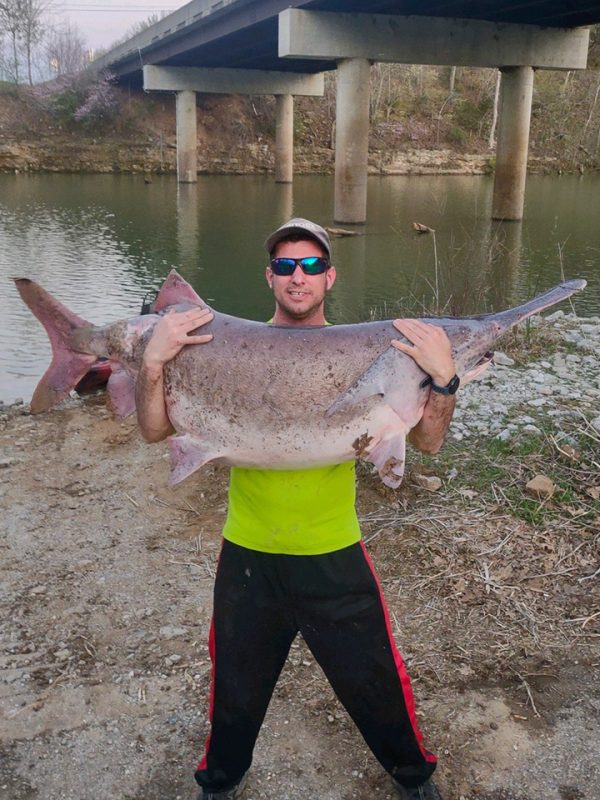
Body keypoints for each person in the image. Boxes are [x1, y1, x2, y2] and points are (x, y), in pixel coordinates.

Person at [135, 219, 458, 800]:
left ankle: (413, 778)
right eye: (285, 266)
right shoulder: (218, 344)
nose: (298, 276)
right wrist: (154, 363)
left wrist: (445, 379)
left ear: (330, 277)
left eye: (311, 265)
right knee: (235, 688)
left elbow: (428, 442)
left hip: (332, 549)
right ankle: (219, 784)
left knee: (376, 682)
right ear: (270, 277)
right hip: (249, 550)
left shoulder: (375, 355)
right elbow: (155, 430)